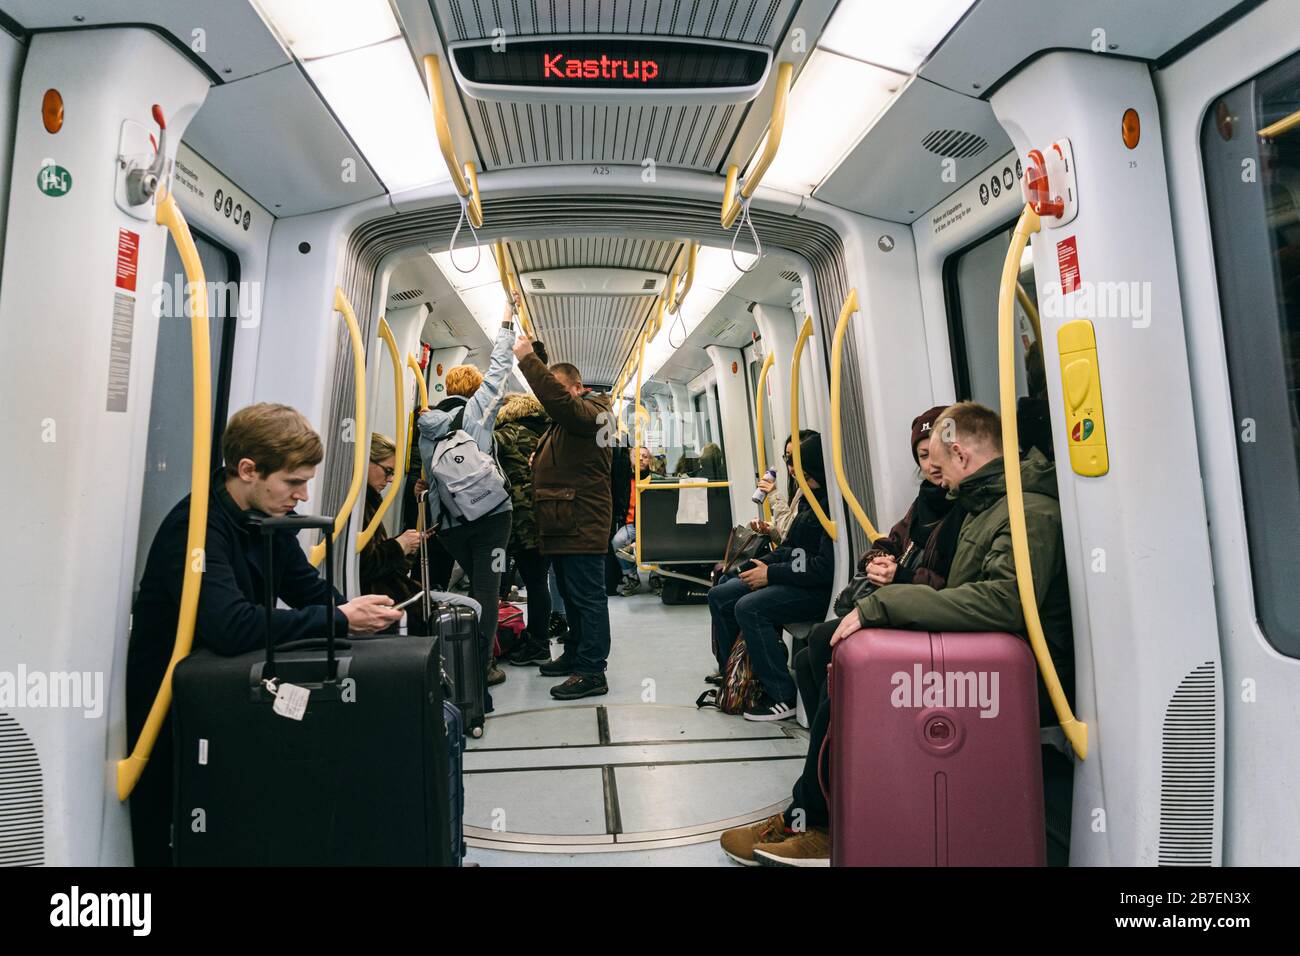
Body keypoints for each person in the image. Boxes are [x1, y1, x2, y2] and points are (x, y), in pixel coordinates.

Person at [723, 401, 1074, 867]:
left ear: (962, 457)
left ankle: (822, 820)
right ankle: (831, 812)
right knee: (838, 661)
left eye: (941, 463)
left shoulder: (1027, 513)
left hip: (1007, 678)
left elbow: (1002, 602)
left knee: (851, 678)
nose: (936, 475)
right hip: (977, 651)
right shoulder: (984, 504)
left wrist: (885, 604)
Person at [127, 403, 404, 866]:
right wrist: (340, 620)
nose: (302, 496)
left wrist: (360, 618)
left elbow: (306, 588)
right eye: (294, 483)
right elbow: (231, 625)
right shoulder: (195, 529)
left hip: (223, 695)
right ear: (248, 470)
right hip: (172, 711)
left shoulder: (265, 522)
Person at [792, 407, 961, 712]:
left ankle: (848, 734)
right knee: (805, 659)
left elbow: (953, 584)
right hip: (902, 597)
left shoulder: (961, 511)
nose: (933, 465)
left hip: (925, 609)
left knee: (820, 640)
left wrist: (900, 576)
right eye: (923, 456)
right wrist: (877, 559)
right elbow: (892, 542)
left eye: (939, 454)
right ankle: (838, 737)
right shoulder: (922, 502)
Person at [416, 295, 518, 729]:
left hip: (452, 528)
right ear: (474, 391)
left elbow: (429, 485)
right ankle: (479, 679)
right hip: (494, 520)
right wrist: (508, 323)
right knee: (487, 596)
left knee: (461, 594)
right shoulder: (479, 411)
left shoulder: (423, 427)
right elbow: (499, 369)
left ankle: (453, 669)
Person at [706, 430, 835, 722]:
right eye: (788, 462)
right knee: (720, 595)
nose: (789, 470)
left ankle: (781, 694)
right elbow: (790, 547)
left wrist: (771, 575)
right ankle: (737, 678)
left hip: (815, 589)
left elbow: (823, 567)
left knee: (748, 608)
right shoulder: (808, 500)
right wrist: (754, 565)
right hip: (793, 576)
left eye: (795, 463)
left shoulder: (829, 505)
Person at [513, 335, 614, 700]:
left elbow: (558, 403)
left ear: (578, 387)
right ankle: (574, 653)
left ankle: (592, 671)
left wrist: (527, 359)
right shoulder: (566, 421)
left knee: (588, 599)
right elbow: (555, 403)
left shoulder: (596, 411)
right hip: (564, 525)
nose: (553, 399)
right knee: (571, 598)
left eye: (561, 391)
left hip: (582, 524)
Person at [494, 389, 556, 666]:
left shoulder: (507, 434)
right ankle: (538, 642)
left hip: (514, 519)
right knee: (537, 583)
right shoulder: (547, 433)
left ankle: (497, 642)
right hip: (544, 517)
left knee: (496, 582)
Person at [360, 433, 431, 634]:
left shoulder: (368, 502)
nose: (390, 480)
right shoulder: (361, 506)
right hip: (385, 596)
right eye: (387, 471)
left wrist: (408, 547)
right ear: (367, 461)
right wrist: (400, 545)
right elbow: (366, 565)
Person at [750, 432, 812, 546]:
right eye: (788, 459)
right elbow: (787, 537)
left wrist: (774, 495)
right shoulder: (800, 490)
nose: (791, 469)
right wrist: (770, 529)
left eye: (795, 459)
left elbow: (789, 534)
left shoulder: (813, 494)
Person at [611, 445, 652, 595]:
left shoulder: (654, 480)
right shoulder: (624, 480)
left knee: (661, 541)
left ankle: (656, 576)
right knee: (617, 541)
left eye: (645, 456)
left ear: (650, 461)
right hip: (631, 525)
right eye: (637, 456)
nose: (641, 459)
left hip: (651, 526)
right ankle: (631, 576)